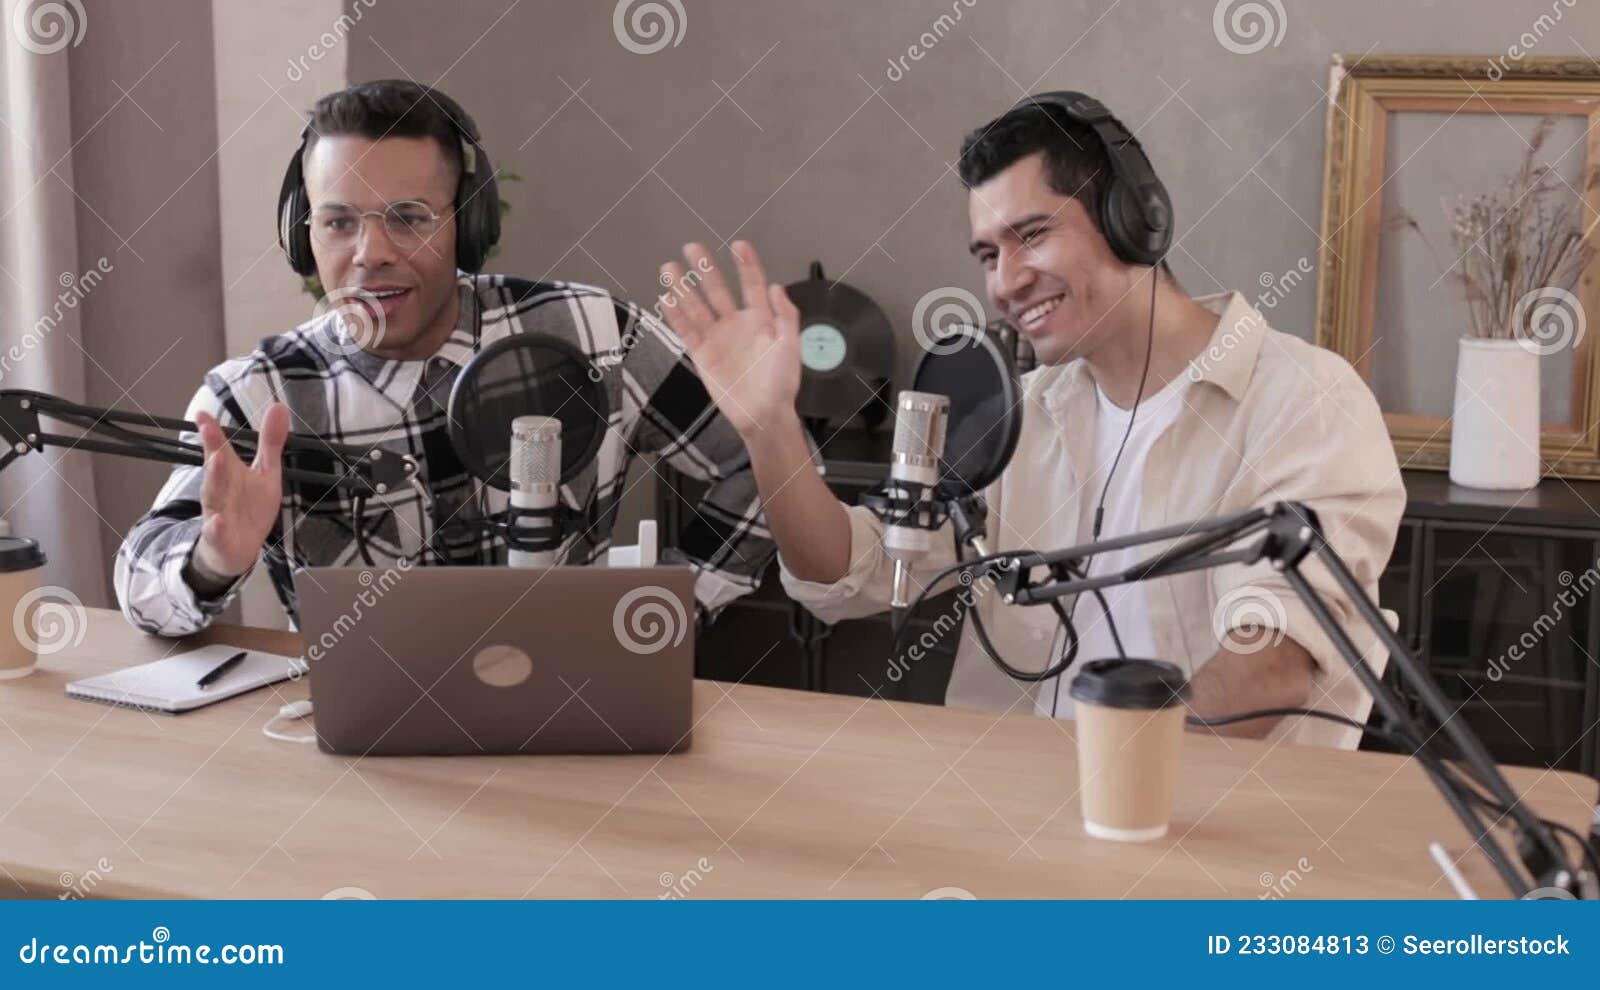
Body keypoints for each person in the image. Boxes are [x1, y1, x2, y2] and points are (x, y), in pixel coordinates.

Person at [656, 92, 1404, 748]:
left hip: (1208, 844)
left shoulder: (1307, 401)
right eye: (987, 253)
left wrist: (1111, 785)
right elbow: (852, 577)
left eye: (1033, 235)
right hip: (1013, 826)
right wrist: (769, 428)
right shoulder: (1019, 413)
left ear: (1131, 219)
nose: (1005, 282)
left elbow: (1271, 658)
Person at [115, 80, 773, 636]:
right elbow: (139, 586)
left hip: (568, 719)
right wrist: (209, 561)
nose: (370, 252)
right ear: (302, 233)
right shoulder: (255, 398)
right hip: (364, 751)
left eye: (408, 217)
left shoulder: (594, 332)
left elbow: (763, 467)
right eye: (339, 222)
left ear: (468, 224)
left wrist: (661, 612)